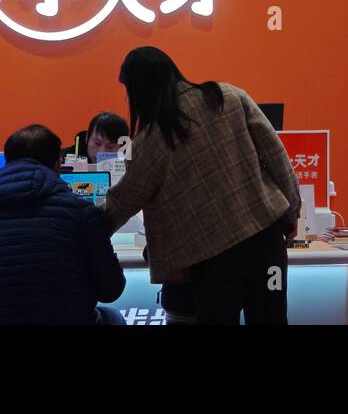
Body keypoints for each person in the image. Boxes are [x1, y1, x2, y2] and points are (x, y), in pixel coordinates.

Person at [100, 46, 301, 325]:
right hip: (265, 244)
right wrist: (291, 212)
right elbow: (277, 156)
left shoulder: (149, 142)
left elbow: (121, 202)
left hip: (211, 264)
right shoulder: (229, 96)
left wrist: (79, 223)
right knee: (272, 319)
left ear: (140, 89)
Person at [0, 124, 126, 325]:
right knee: (113, 317)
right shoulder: (81, 212)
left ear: (7, 162)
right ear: (57, 164)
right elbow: (111, 290)